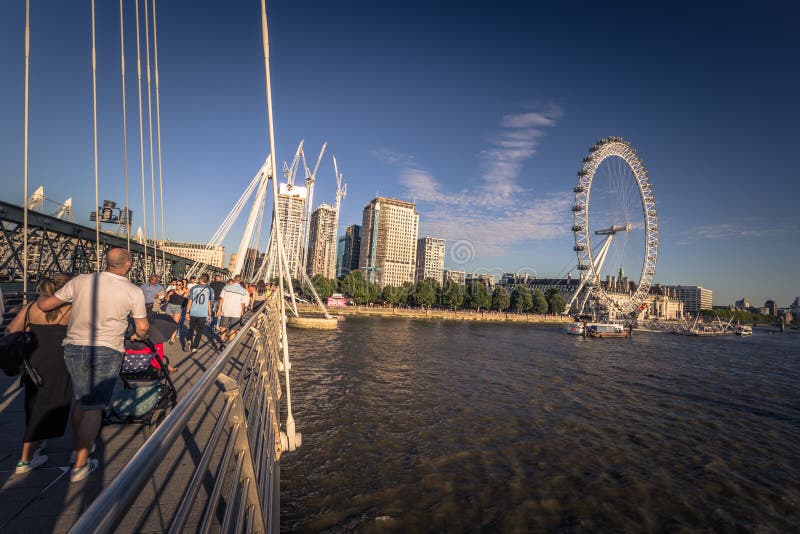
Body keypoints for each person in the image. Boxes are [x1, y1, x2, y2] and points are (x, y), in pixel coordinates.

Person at [37, 248, 148, 483]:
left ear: (107, 262)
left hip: (75, 346)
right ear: (127, 264)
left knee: (81, 399)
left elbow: (46, 306)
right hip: (107, 348)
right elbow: (143, 327)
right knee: (94, 406)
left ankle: (79, 447)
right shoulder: (133, 291)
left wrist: (39, 296)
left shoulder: (81, 281)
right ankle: (80, 463)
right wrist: (138, 335)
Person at [6, 274, 74, 474]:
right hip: (59, 362)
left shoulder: (32, 307)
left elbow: (10, 331)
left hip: (33, 362)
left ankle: (38, 443)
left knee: (34, 403)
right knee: (51, 404)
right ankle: (25, 459)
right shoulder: (70, 309)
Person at [186, 273, 215, 353]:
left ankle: (189, 340)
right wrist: (209, 314)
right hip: (203, 313)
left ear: (201, 279)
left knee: (191, 328)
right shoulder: (210, 289)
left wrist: (187, 312)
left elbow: (190, 301)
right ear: (207, 280)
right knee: (199, 331)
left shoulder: (194, 288)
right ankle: (194, 347)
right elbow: (209, 303)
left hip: (193, 311)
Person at [217, 278, 250, 347]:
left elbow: (221, 299)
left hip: (226, 310)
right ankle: (229, 344)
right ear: (240, 281)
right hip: (236, 312)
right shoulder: (243, 290)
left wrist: (219, 309)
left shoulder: (226, 287)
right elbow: (243, 303)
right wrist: (242, 311)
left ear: (234, 279)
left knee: (223, 326)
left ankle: (221, 342)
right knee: (233, 328)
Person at [165, 280, 189, 344]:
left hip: (178, 308)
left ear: (182, 285)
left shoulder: (185, 292)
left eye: (179, 285)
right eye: (176, 284)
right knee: (168, 323)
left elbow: (186, 301)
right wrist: (168, 295)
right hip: (170, 306)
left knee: (175, 324)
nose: (177, 286)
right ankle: (168, 336)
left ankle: (172, 339)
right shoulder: (172, 291)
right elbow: (167, 300)